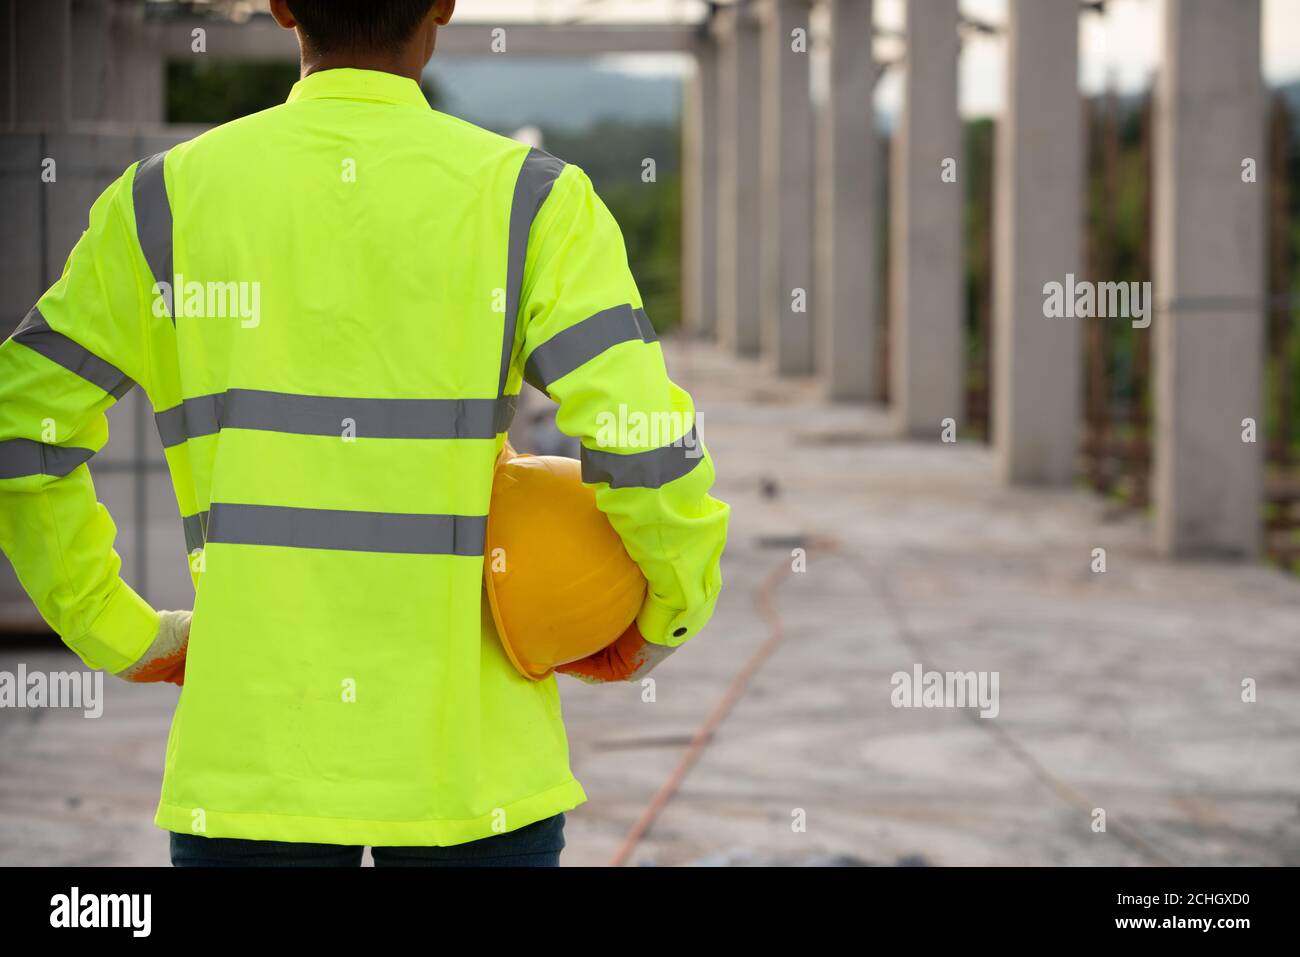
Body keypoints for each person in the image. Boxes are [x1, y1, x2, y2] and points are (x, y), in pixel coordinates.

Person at [0, 0, 728, 867]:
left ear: (279, 4)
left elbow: (21, 421)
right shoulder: (534, 203)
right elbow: (644, 439)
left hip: (253, 781)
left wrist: (116, 628)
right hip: (472, 785)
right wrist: (665, 612)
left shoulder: (163, 203)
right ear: (445, 4)